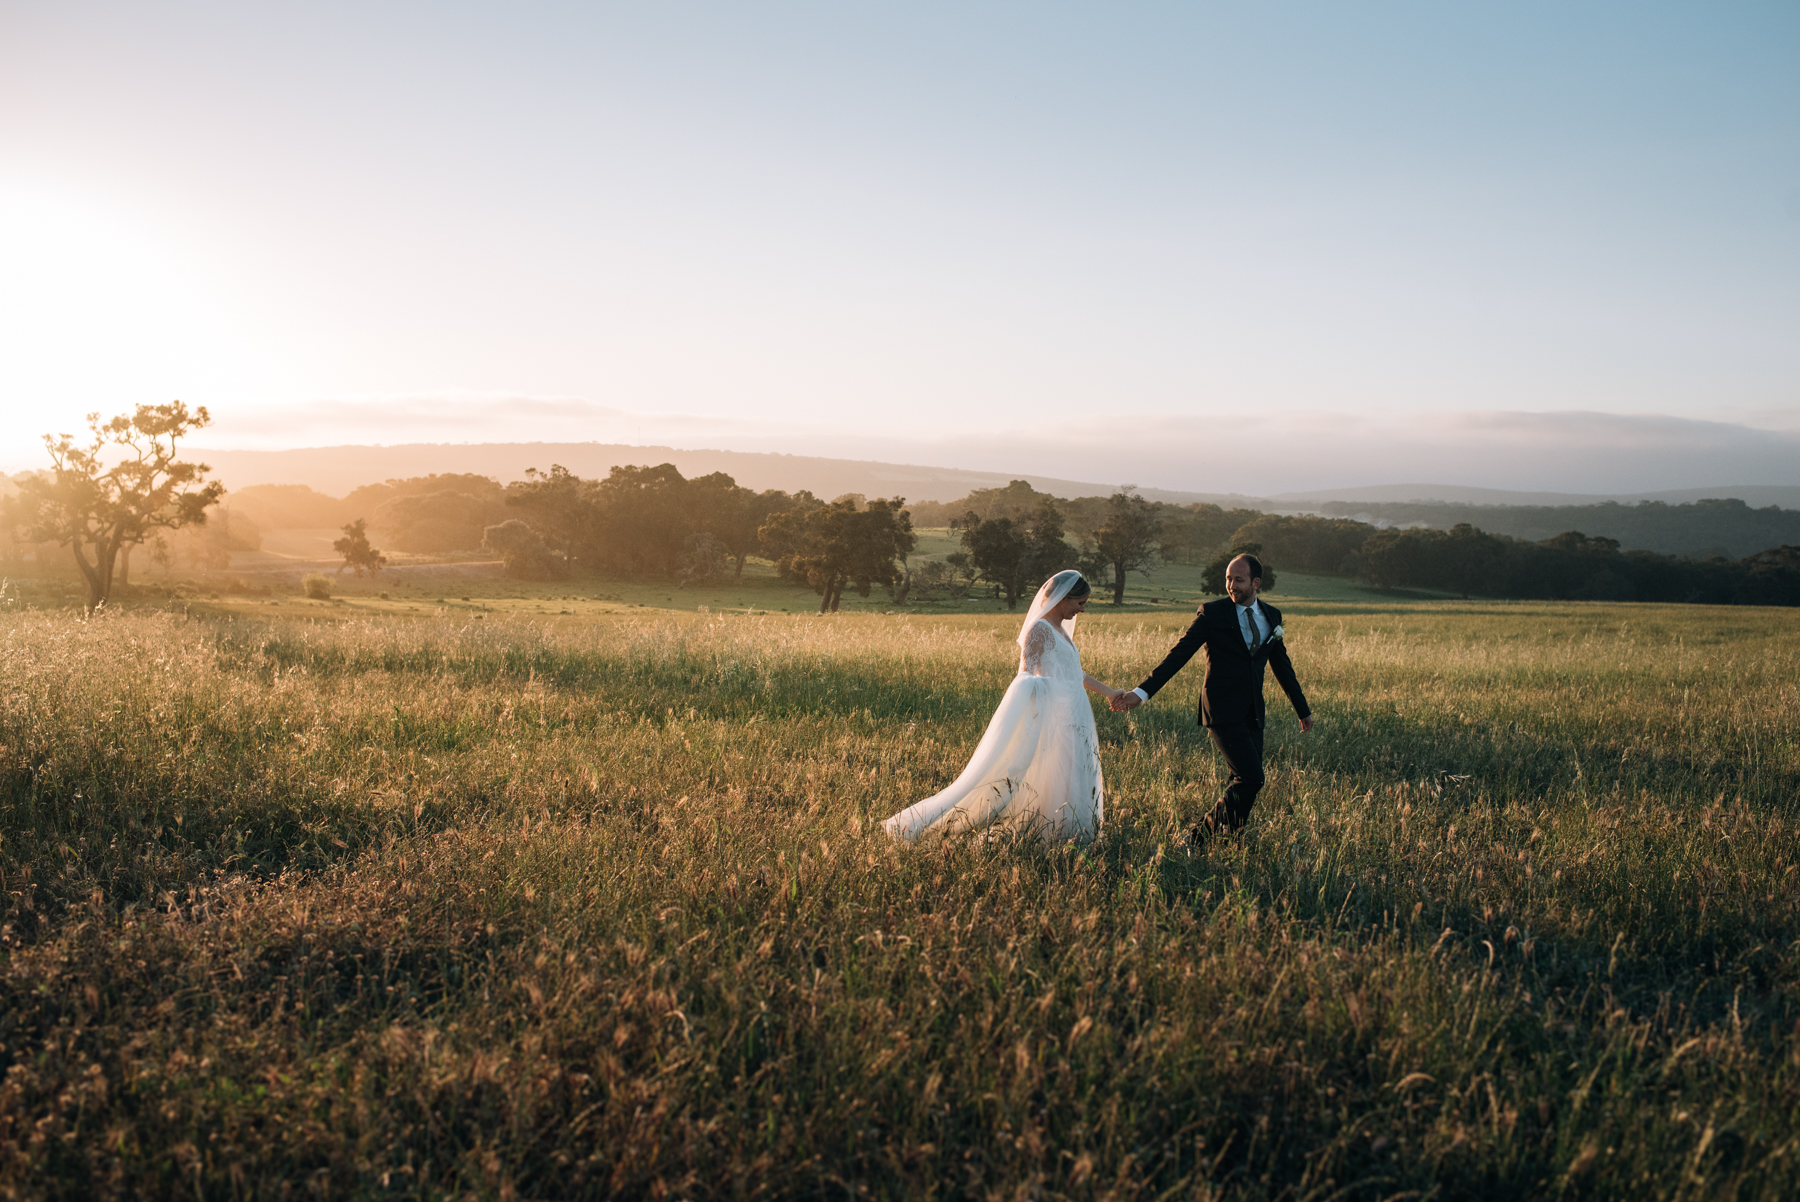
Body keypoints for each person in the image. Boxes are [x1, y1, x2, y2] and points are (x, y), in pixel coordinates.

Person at [883, 571, 1124, 843]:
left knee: (1071, 771)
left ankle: (1070, 831)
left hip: (1074, 713)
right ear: (1061, 598)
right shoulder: (1040, 629)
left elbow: (1074, 673)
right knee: (1047, 770)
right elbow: (1025, 676)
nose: (1082, 609)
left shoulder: (1061, 631)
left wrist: (1109, 692)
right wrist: (1045, 698)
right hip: (1053, 715)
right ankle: (1047, 832)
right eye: (1079, 603)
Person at [1111, 553, 1312, 839]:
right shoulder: (1213, 613)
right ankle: (1197, 838)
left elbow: (1282, 666)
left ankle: (1231, 837)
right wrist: (1141, 693)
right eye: (1228, 579)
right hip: (1221, 710)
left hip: (1253, 712)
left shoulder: (1271, 615)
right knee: (1252, 778)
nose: (1231, 586)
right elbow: (1179, 654)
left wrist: (1302, 709)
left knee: (1240, 779)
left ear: (1256, 583)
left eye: (1239, 580)